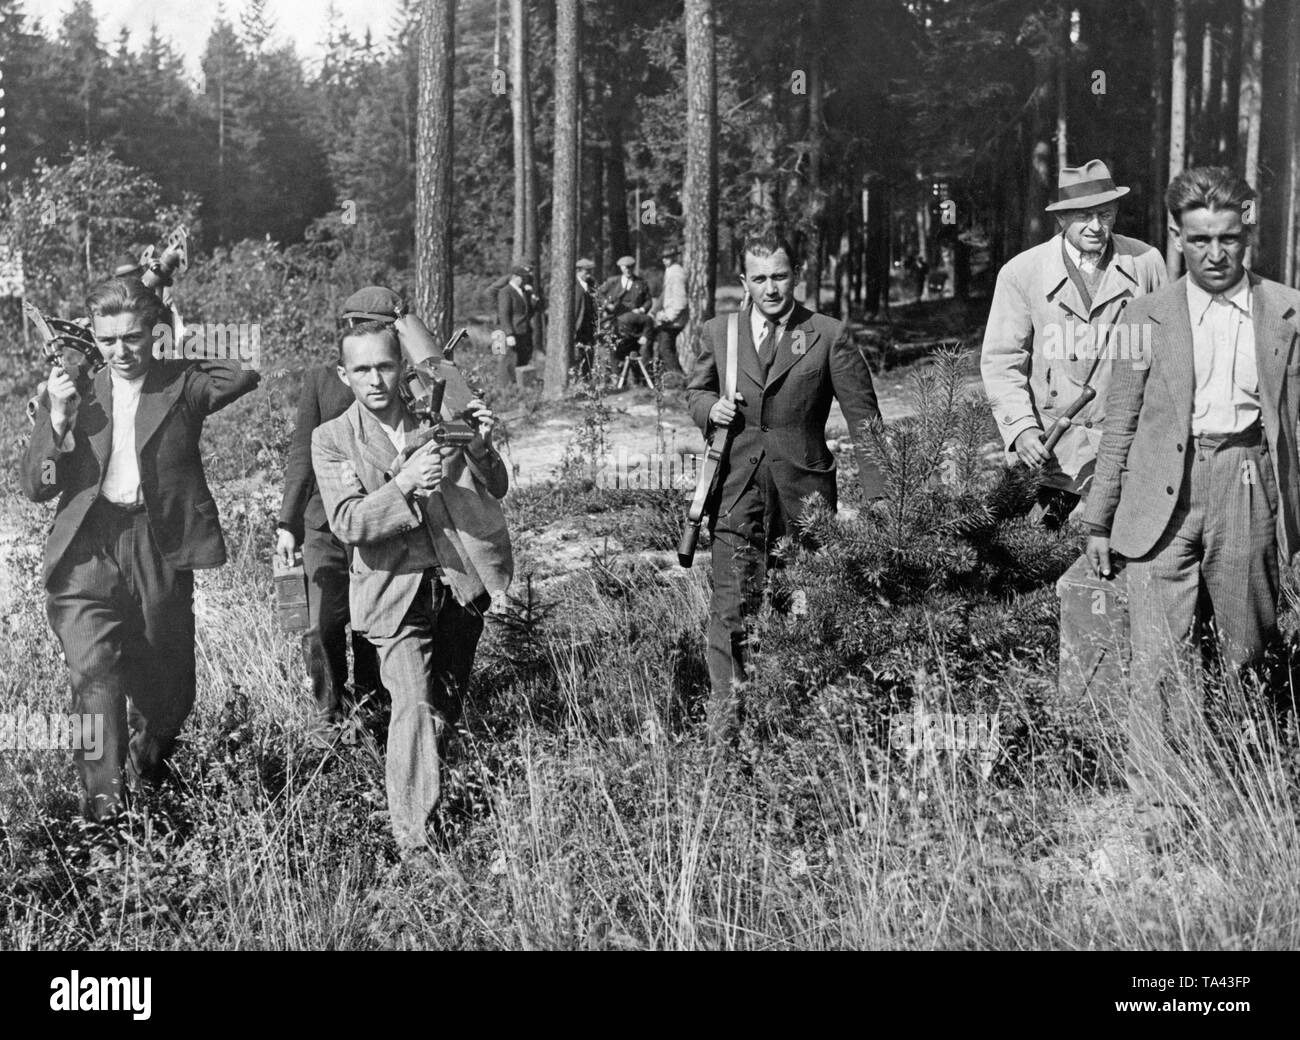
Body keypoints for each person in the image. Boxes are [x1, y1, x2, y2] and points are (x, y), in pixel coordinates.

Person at [1083, 166, 1300, 853]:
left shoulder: (1289, 311)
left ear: (1249, 235)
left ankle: (1246, 789)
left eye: (1229, 239)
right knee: (1157, 658)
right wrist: (1098, 518)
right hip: (1159, 495)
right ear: (1177, 238)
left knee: (1247, 646)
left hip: (1246, 481)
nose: (1216, 254)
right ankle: (1159, 803)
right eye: (1200, 239)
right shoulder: (1142, 315)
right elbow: (1119, 419)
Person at [19, 276, 260, 823]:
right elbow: (37, 486)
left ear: (154, 333)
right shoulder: (74, 393)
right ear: (94, 339)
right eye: (108, 341)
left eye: (133, 337)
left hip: (158, 546)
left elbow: (244, 369)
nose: (121, 352)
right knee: (93, 679)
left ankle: (148, 773)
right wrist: (56, 419)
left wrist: (180, 335)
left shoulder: (182, 384)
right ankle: (105, 820)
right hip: (87, 550)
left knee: (169, 694)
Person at [311, 320, 513, 854]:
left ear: (401, 366)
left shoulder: (440, 414)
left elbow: (497, 486)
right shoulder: (331, 439)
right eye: (361, 370)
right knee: (415, 702)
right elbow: (350, 523)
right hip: (391, 596)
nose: (374, 380)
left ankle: (438, 801)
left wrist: (484, 448)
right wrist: (402, 485)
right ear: (343, 375)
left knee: (443, 703)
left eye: (384, 365)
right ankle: (415, 844)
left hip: (459, 583)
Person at [685, 233, 884, 748]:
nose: (770, 289)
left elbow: (866, 421)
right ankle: (728, 733)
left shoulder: (826, 334)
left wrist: (880, 497)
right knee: (730, 610)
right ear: (743, 282)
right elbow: (696, 391)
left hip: (806, 497)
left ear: (794, 275)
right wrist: (710, 411)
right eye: (759, 279)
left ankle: (807, 723)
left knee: (808, 605)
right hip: (736, 491)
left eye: (779, 276)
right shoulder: (719, 332)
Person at [981, 160, 1167, 524]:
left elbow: (1168, 353)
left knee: (1118, 555)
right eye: (1084, 216)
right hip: (1051, 448)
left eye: (1105, 214)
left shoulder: (1146, 262)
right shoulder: (1022, 273)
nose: (1096, 227)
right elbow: (1002, 360)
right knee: (1040, 554)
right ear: (1062, 219)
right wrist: (1021, 428)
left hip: (1126, 447)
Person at [275, 287, 398, 724]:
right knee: (320, 623)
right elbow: (301, 453)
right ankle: (327, 711)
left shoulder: (404, 379)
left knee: (372, 618)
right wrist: (288, 522)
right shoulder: (324, 379)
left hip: (379, 521)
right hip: (322, 523)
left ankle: (371, 706)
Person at [601, 254, 653, 378]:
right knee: (613, 348)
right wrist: (607, 305)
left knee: (636, 349)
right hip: (615, 321)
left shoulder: (641, 283)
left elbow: (648, 300)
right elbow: (599, 294)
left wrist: (642, 309)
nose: (628, 270)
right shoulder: (612, 282)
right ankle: (616, 377)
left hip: (635, 322)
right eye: (625, 268)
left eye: (630, 267)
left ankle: (637, 378)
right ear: (621, 268)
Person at [495, 264, 534, 386]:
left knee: (522, 361)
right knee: (508, 362)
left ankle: (519, 387)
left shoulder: (523, 292)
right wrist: (509, 333)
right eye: (523, 277)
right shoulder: (505, 292)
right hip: (513, 333)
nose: (525, 280)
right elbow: (504, 314)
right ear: (515, 277)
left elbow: (529, 311)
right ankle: (504, 389)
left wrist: (532, 298)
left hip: (524, 332)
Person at [653, 245, 688, 375]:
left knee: (665, 349)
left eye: (668, 257)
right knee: (666, 348)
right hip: (672, 318)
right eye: (663, 257)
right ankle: (669, 378)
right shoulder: (670, 270)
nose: (664, 260)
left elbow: (681, 300)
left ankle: (678, 378)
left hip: (674, 320)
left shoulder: (676, 272)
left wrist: (668, 317)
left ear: (674, 257)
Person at [573, 258, 598, 378]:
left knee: (589, 355)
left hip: (589, 327)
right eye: (586, 272)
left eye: (590, 272)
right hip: (577, 327)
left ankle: (587, 381)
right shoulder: (574, 287)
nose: (589, 275)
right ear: (578, 271)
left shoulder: (591, 285)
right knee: (577, 356)